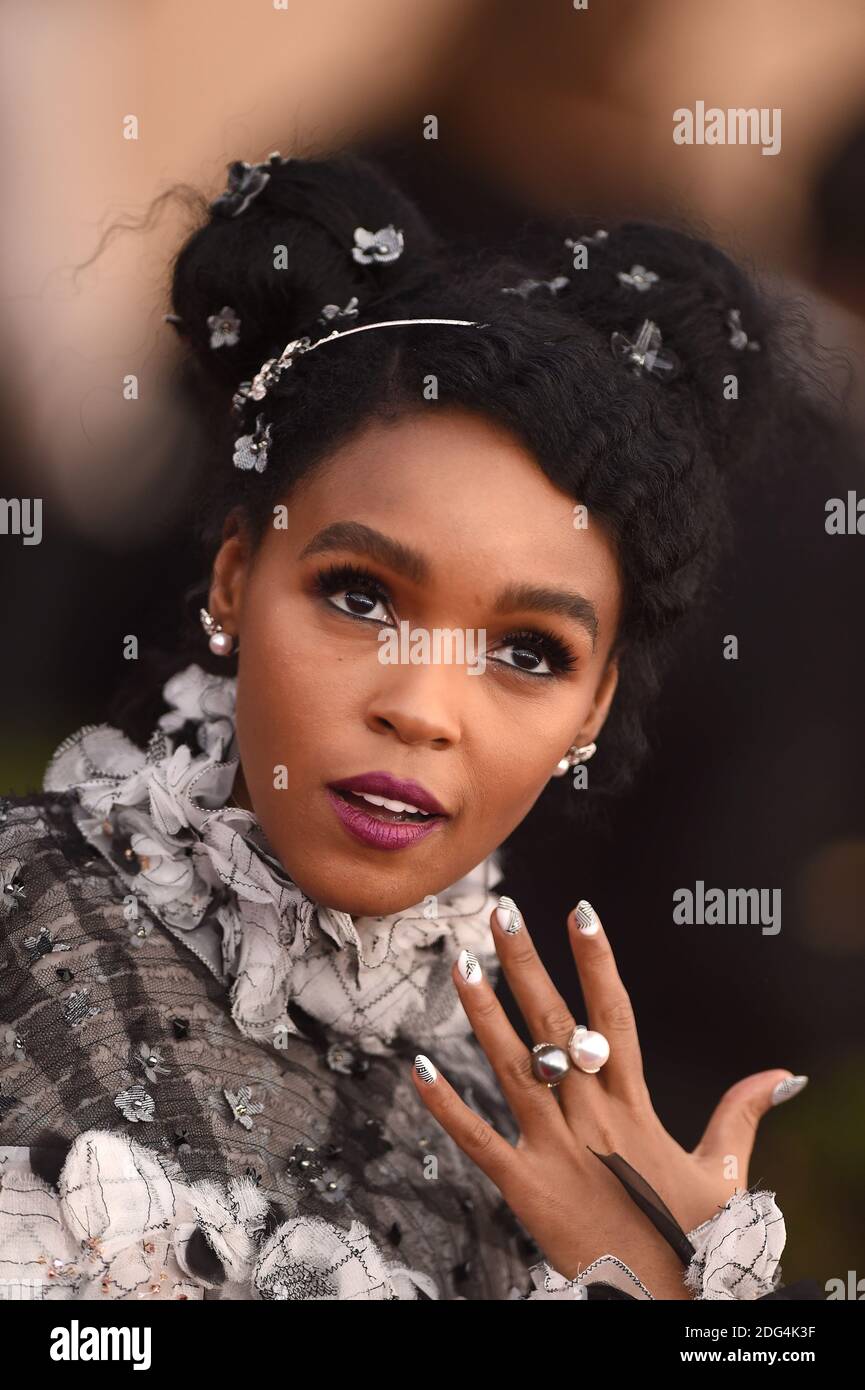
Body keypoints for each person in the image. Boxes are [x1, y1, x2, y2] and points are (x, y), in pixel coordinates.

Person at [0, 151, 823, 1301]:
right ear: (235, 574)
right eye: (360, 596)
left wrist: (666, 1286)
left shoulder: (540, 1137)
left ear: (593, 704)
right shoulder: (20, 925)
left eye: (527, 652)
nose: (422, 707)